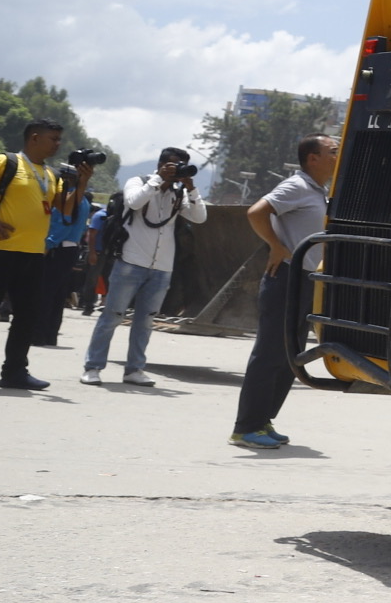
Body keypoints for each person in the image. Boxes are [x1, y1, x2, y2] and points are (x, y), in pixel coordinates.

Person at [231, 136, 339, 450]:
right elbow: (256, 212)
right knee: (269, 353)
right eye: (333, 151)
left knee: (290, 355)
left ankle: (263, 420)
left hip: (306, 278)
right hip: (286, 278)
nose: (338, 155)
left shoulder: (318, 191)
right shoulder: (297, 186)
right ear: (313, 159)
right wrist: (275, 246)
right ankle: (246, 427)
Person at [83, 148, 206, 387]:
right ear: (161, 164)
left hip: (162, 266)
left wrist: (191, 188)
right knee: (112, 316)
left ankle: (135, 369)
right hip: (130, 261)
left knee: (146, 321)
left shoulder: (179, 193)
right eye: (174, 165)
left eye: (181, 166)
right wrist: (158, 180)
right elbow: (134, 202)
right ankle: (93, 367)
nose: (177, 170)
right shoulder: (138, 182)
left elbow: (200, 217)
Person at [0, 120, 68, 390]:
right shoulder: (5, 162)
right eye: (53, 138)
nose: (58, 144)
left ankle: (14, 372)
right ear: (34, 138)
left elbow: (66, 210)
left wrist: (82, 182)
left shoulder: (51, 174)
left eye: (59, 139)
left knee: (27, 315)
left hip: (33, 254)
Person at [36, 158, 96, 348]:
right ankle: (50, 335)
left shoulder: (70, 199)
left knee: (45, 292)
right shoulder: (82, 199)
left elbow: (64, 223)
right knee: (57, 294)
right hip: (69, 248)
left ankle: (39, 334)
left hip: (58, 247)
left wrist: (48, 244)